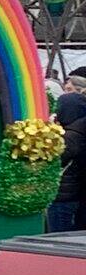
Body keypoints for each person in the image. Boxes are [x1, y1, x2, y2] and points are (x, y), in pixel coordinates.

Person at [49, 92, 86, 232]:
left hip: (64, 196)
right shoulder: (80, 129)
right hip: (75, 195)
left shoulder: (71, 136)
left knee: (58, 238)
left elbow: (55, 158)